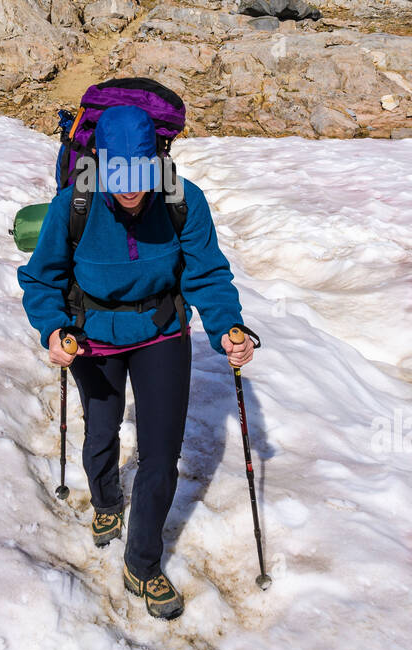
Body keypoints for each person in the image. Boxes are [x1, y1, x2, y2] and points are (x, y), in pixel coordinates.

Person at [17, 103, 254, 620]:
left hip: (161, 331)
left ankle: (143, 563)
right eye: (118, 176)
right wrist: (53, 329)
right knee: (101, 428)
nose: (130, 189)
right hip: (94, 335)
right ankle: (105, 502)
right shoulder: (74, 203)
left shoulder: (181, 200)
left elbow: (207, 274)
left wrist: (228, 327)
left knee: (160, 452)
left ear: (156, 162)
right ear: (100, 165)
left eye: (140, 175)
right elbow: (42, 279)